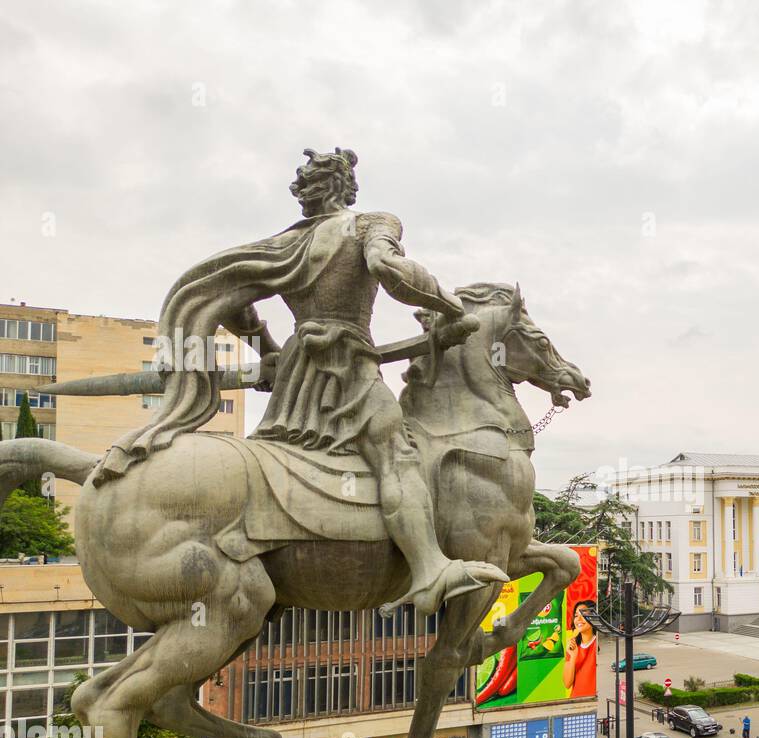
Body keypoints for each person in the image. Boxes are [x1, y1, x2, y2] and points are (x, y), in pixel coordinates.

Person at [98, 147, 507, 617]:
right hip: (347, 365)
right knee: (395, 456)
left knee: (297, 456)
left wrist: (269, 350)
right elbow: (391, 271)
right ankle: (430, 568)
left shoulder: (287, 244)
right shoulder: (371, 223)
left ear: (307, 193)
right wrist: (450, 309)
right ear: (347, 188)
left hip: (298, 376)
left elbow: (233, 300)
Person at [562, 600, 598, 697]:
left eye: (584, 615)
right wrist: (572, 657)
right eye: (576, 615)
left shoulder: (597, 644)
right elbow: (567, 683)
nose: (579, 619)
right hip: (576, 703)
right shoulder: (573, 647)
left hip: (593, 704)